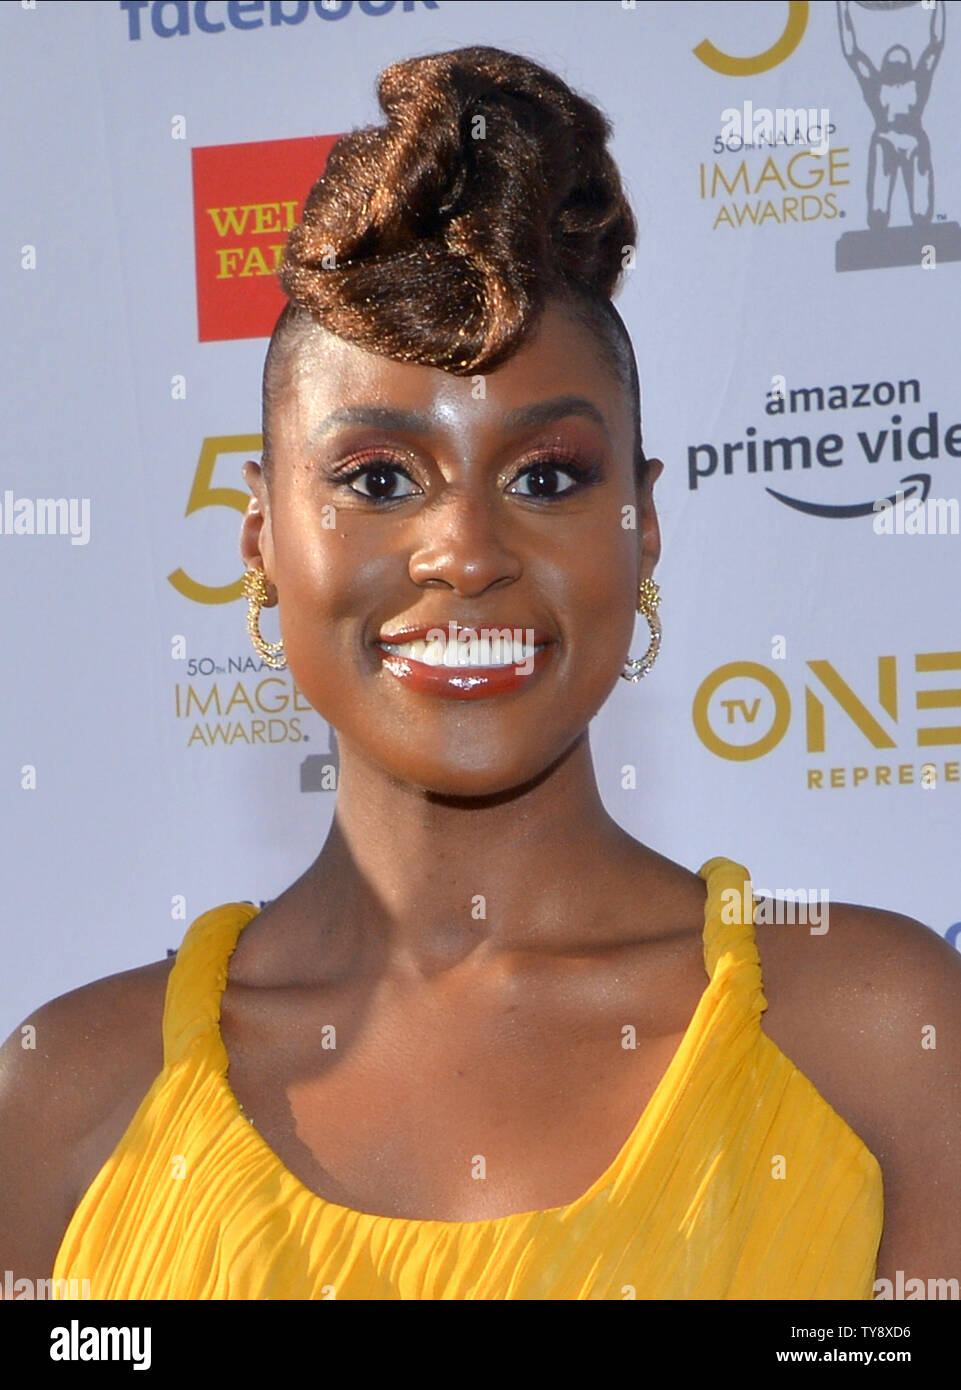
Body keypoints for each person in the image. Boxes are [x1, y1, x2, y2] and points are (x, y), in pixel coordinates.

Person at [2, 44, 959, 1302]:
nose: (463, 551)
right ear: (259, 539)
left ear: (643, 525)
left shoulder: (881, 1041)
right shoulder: (65, 1101)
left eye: (548, 477)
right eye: (378, 479)